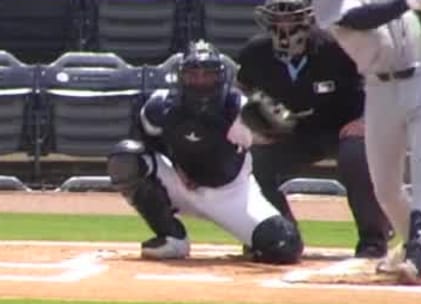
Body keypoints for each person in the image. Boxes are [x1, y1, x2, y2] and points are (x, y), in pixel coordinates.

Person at [302, 0, 421, 284]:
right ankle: (411, 237)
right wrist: (407, 1)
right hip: (381, 90)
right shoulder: (325, 0)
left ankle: (418, 252)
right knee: (384, 186)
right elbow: (363, 18)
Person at [106, 40, 303, 266]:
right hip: (180, 186)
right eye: (193, 74)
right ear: (181, 77)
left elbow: (284, 127)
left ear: (220, 78)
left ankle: (252, 239)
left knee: (284, 247)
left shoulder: (240, 108)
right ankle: (171, 236)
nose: (200, 81)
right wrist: (177, 169)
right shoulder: (160, 107)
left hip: (232, 194)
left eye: (207, 75)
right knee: (125, 157)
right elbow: (147, 144)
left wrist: (271, 125)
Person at [236, 0, 392, 259]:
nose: (284, 28)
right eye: (278, 21)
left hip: (341, 127)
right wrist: (257, 125)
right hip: (291, 132)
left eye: (291, 20)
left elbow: (379, 83)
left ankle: (373, 238)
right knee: (254, 162)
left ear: (307, 21)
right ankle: (279, 233)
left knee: (357, 156)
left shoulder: (336, 48)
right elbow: (241, 91)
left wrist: (364, 120)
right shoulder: (255, 53)